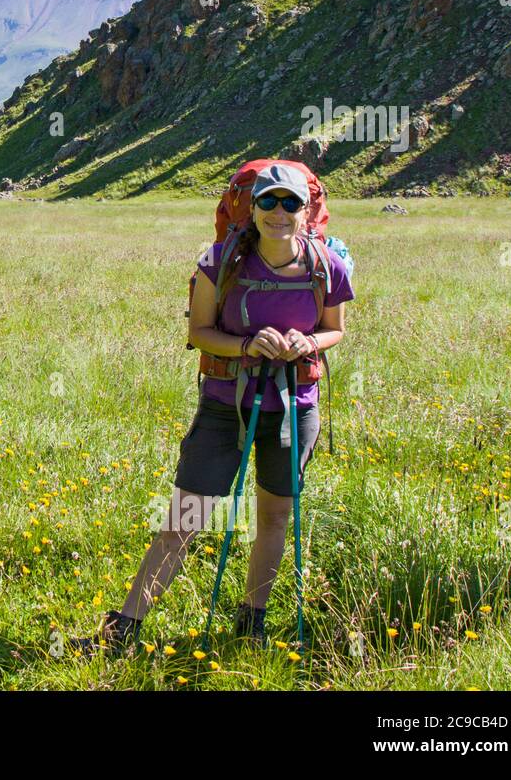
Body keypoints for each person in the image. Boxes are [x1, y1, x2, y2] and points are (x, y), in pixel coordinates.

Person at [72, 163, 354, 656]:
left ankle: (252, 624)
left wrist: (305, 343)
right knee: (186, 516)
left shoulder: (327, 265)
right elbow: (198, 333)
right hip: (226, 405)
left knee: (275, 515)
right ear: (252, 209)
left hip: (293, 407)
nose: (279, 212)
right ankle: (123, 629)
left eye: (290, 203)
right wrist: (248, 347)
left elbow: (336, 330)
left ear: (306, 211)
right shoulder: (219, 261)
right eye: (268, 202)